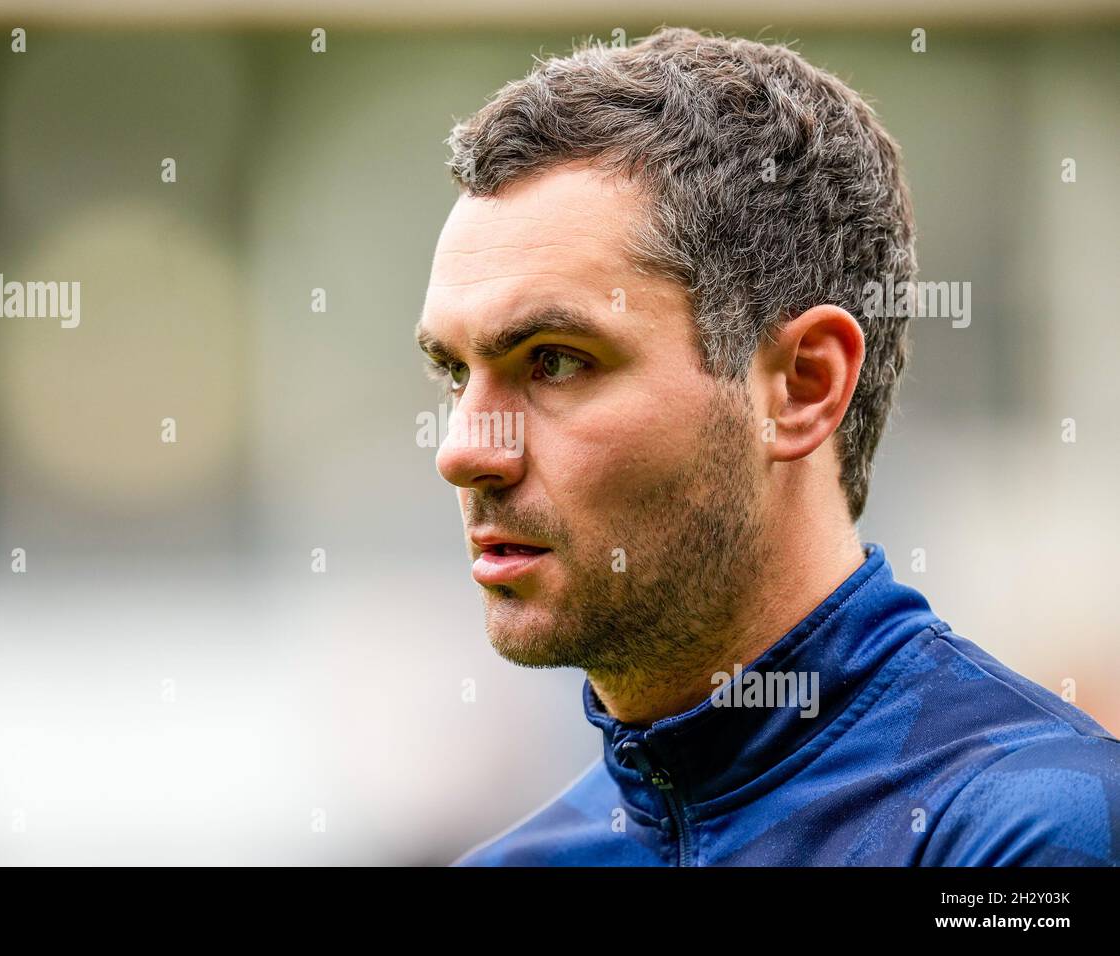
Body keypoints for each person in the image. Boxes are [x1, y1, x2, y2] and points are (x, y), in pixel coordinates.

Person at [414, 27, 1120, 865]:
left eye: (556, 362)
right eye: (456, 372)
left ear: (801, 386)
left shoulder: (1032, 835)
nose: (463, 451)